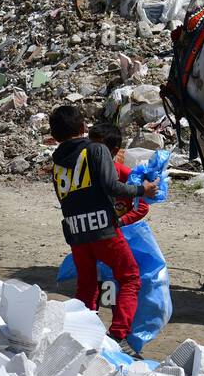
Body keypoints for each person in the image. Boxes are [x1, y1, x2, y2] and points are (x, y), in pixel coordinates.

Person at [49, 105, 157, 353]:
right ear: (83, 127)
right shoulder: (96, 150)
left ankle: (80, 333)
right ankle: (119, 336)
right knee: (129, 276)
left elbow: (64, 199)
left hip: (76, 232)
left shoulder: (56, 165)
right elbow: (113, 187)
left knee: (87, 284)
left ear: (54, 136)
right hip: (103, 229)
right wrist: (143, 190)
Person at [89, 122, 150, 228]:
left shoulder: (126, 174)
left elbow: (142, 206)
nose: (91, 151)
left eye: (98, 149)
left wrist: (121, 221)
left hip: (118, 229)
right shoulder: (85, 172)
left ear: (114, 150)